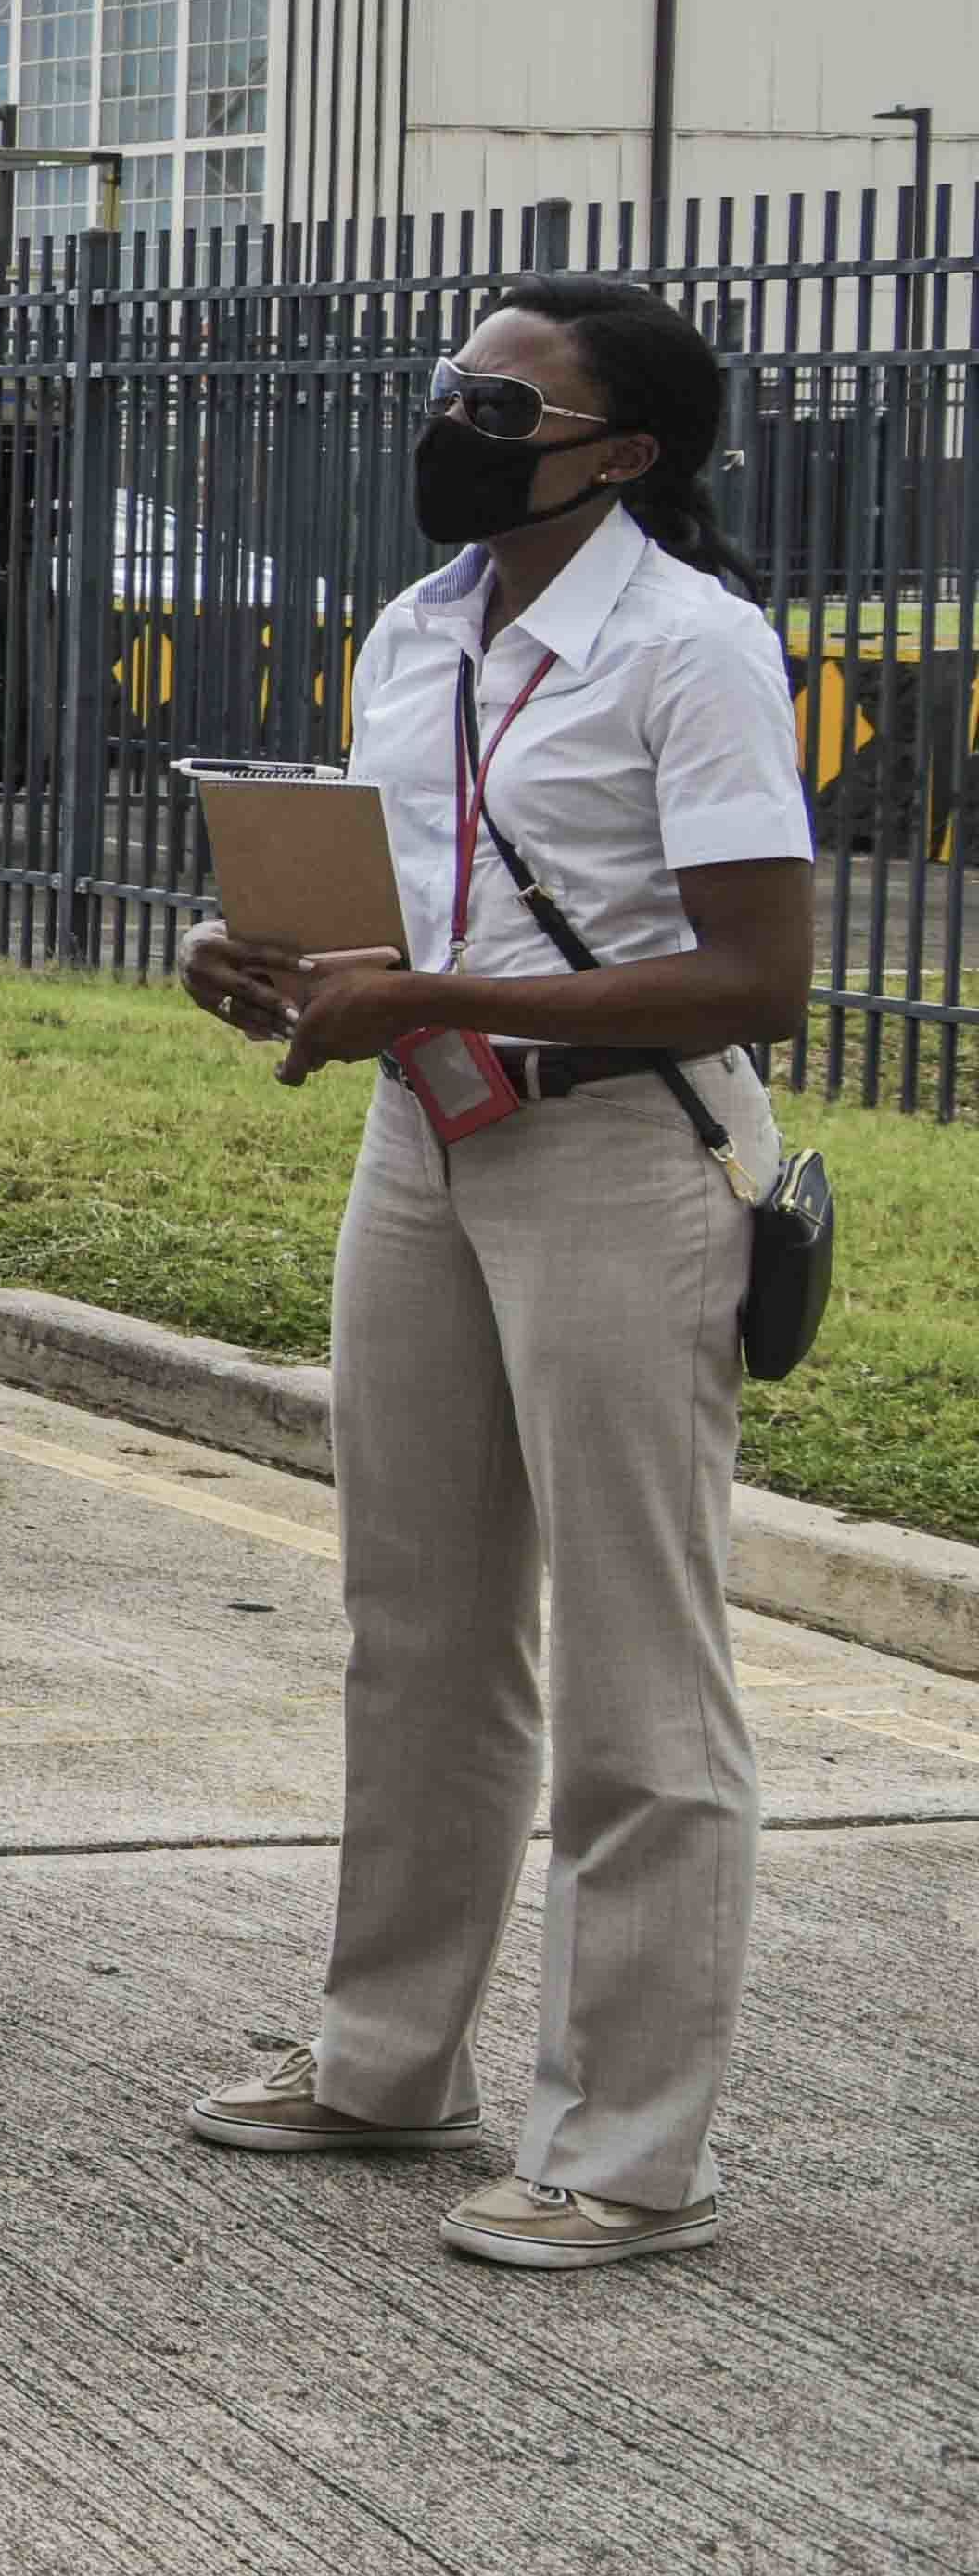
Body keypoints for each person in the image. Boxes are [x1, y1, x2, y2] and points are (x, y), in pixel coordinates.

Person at [177, 278, 819, 2268]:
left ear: (614, 450)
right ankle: (385, 2058)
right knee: (416, 1618)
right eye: (444, 385)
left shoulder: (687, 647)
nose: (443, 417)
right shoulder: (418, 620)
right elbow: (403, 890)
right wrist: (271, 961)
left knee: (637, 1652)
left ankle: (633, 2146)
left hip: (617, 1147)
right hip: (426, 1136)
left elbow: (756, 971)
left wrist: (435, 989)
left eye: (491, 397)